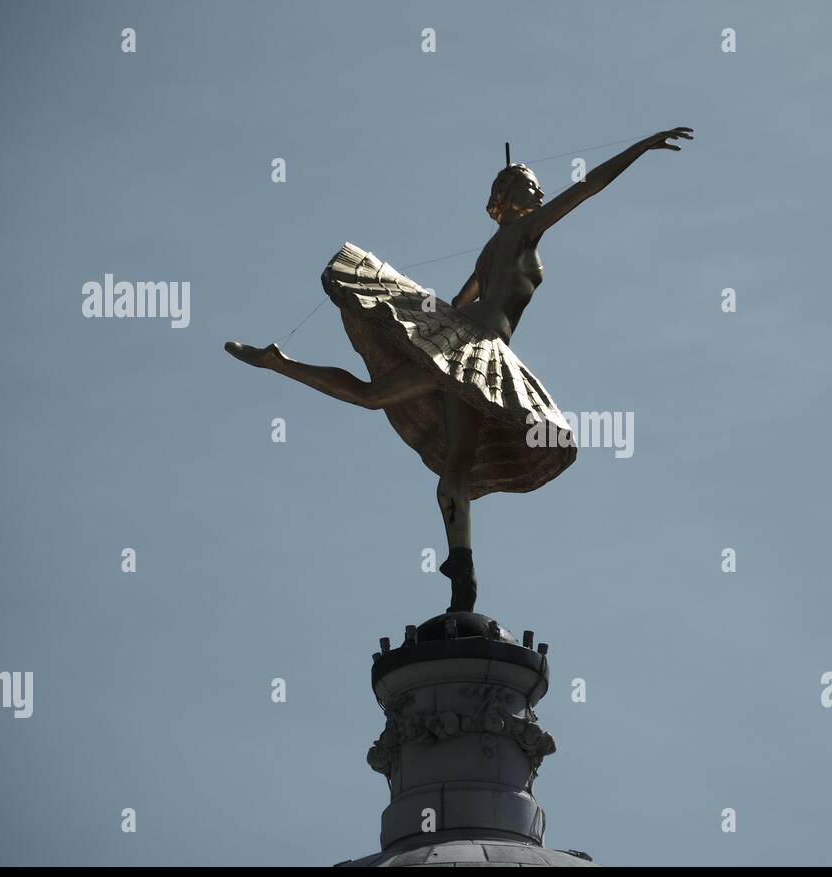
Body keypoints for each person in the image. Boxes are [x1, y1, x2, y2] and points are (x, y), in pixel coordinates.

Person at [225, 127, 693, 612]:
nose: (541, 191)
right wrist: (639, 148)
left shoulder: (490, 250)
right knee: (421, 430)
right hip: (478, 344)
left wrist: (433, 330)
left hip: (464, 341)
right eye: (532, 185)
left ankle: (460, 561)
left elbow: (460, 299)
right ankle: (280, 364)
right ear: (510, 197)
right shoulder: (523, 231)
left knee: (434, 441)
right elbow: (588, 187)